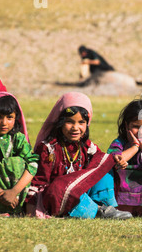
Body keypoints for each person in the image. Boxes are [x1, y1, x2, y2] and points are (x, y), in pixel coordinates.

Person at [27, 92, 132, 220]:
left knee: (105, 162)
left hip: (79, 194)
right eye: (70, 122)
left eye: (81, 122)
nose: (75, 128)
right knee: (59, 186)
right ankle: (98, 211)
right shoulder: (48, 149)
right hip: (56, 198)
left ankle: (105, 207)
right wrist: (31, 209)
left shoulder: (86, 146)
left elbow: (102, 164)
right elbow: (38, 183)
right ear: (60, 123)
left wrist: (117, 161)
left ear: (87, 124)